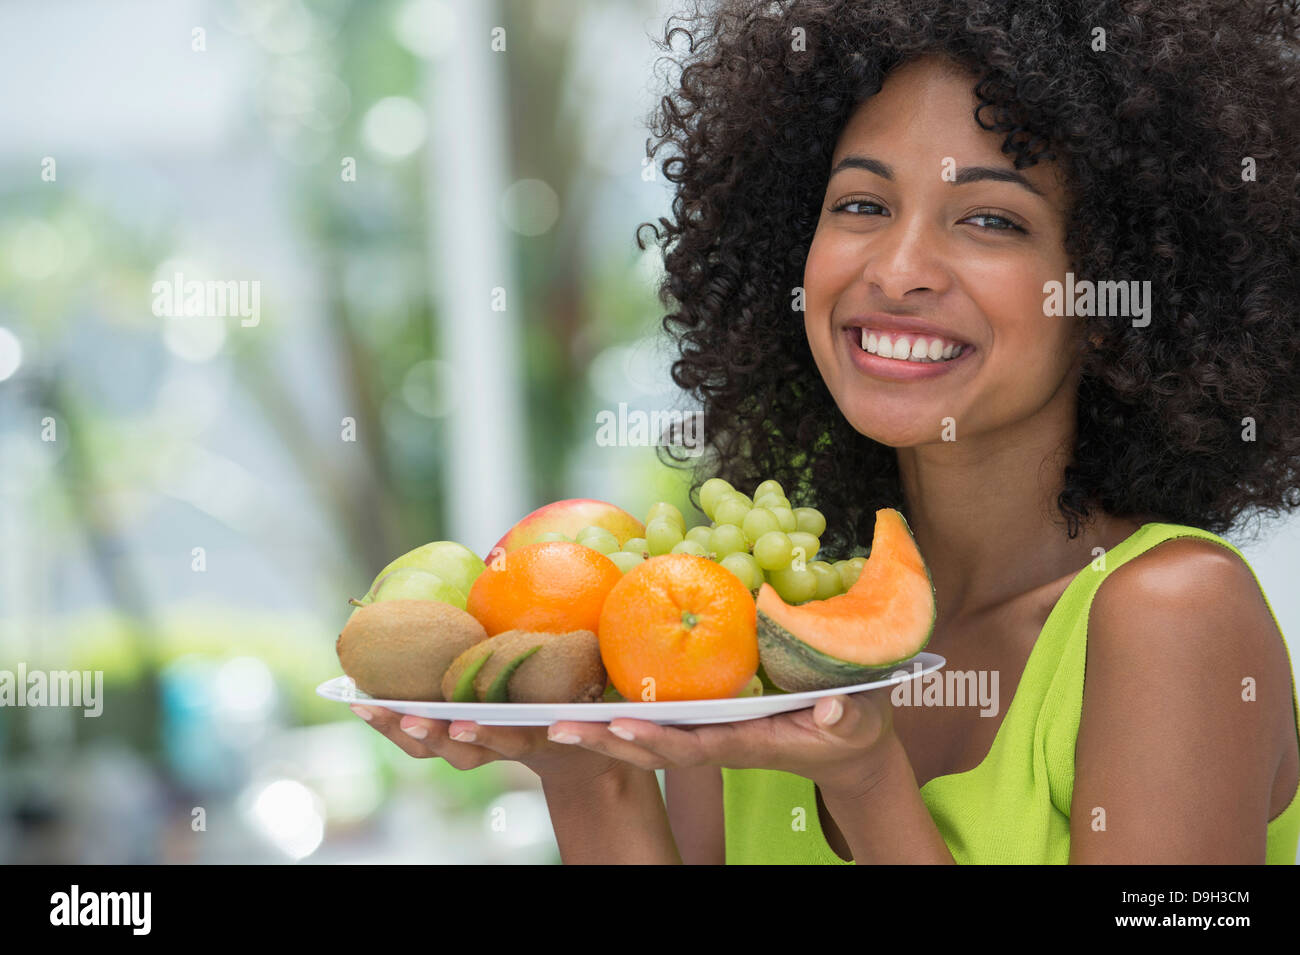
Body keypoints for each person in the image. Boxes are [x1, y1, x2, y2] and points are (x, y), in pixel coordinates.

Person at [353, 0, 1300, 863]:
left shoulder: (1175, 617)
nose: (898, 269)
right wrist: (581, 763)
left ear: (1114, 292)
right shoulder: (742, 631)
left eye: (989, 219)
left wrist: (866, 780)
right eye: (862, 205)